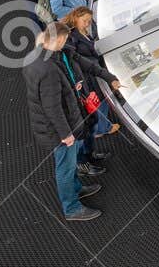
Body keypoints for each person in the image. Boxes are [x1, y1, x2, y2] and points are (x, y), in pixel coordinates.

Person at [24, 22, 101, 222]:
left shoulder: (35, 56)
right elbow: (54, 108)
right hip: (58, 130)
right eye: (65, 40)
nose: (65, 43)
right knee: (65, 168)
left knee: (69, 163)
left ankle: (77, 189)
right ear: (58, 39)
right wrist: (66, 134)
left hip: (49, 126)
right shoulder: (48, 69)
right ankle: (72, 208)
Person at [60, 5, 121, 168]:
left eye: (89, 21)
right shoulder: (71, 42)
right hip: (83, 87)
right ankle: (83, 164)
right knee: (84, 126)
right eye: (85, 20)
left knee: (90, 123)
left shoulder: (77, 40)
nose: (87, 24)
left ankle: (89, 154)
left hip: (87, 82)